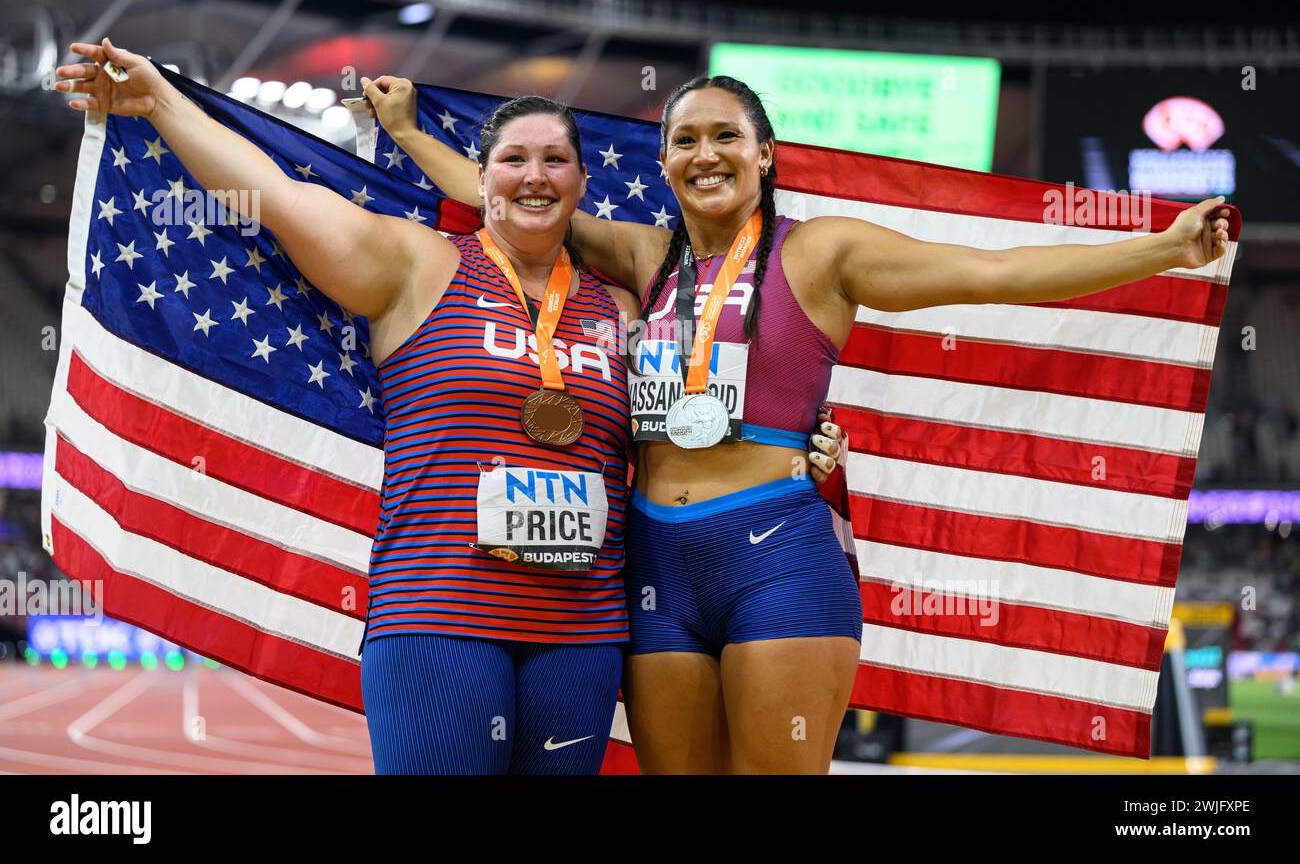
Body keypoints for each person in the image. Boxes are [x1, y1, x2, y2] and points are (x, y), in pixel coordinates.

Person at [364, 71, 1232, 774]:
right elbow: (515, 200)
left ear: (765, 155)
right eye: (685, 140)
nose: (705, 155)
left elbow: (991, 270)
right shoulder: (643, 254)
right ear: (663, 163)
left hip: (777, 556)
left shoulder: (821, 252)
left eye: (726, 137)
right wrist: (407, 133)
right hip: (654, 565)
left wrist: (1163, 249)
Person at [54, 40, 845, 774]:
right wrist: (159, 102)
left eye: (555, 160)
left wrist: (809, 443)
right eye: (513, 160)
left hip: (584, 633)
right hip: (440, 620)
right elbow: (274, 197)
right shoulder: (414, 266)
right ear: (482, 179)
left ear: (579, 183)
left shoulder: (626, 308)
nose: (534, 176)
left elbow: (704, 410)